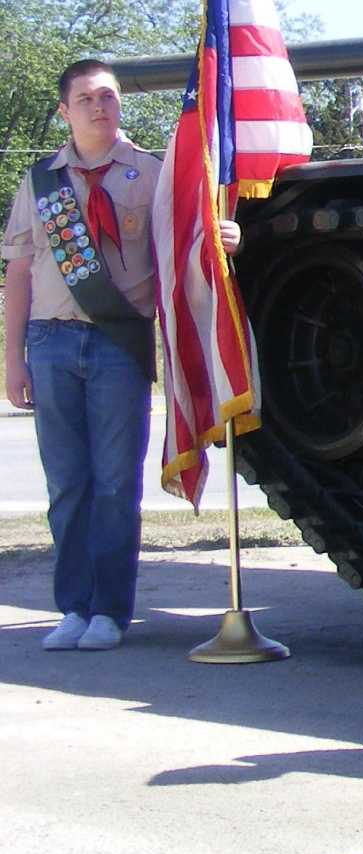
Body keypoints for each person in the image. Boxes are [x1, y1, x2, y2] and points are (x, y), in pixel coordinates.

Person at [2, 59, 240, 651]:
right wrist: (12, 358)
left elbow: (189, 237)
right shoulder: (40, 183)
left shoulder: (153, 175)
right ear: (65, 110)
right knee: (67, 485)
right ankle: (73, 608)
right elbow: (20, 271)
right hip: (50, 341)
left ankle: (109, 611)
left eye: (107, 96)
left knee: (114, 483)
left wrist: (223, 236)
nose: (98, 107)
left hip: (118, 342)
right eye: (84, 98)